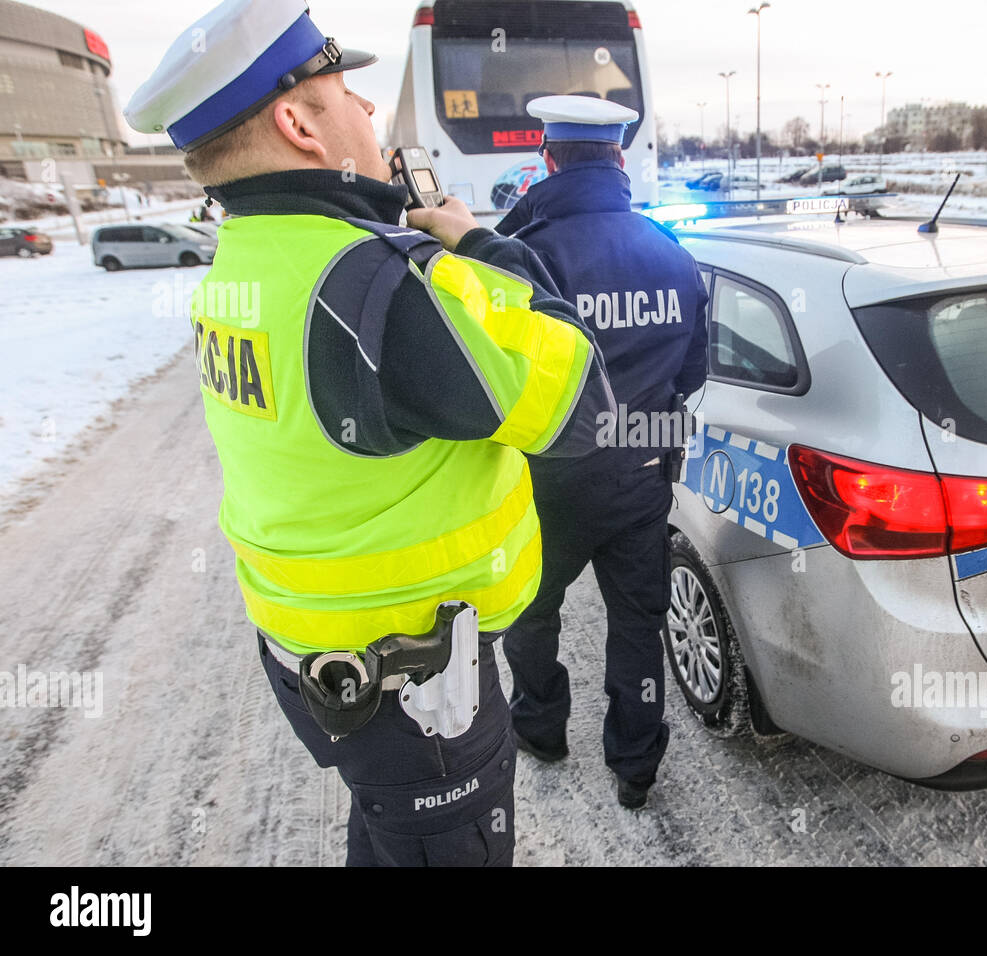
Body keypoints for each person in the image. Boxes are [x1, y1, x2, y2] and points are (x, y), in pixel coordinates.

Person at [124, 0, 615, 865]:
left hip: (319, 656)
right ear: (297, 122)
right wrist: (482, 247)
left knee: (391, 838)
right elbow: (585, 404)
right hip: (418, 690)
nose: (367, 114)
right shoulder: (379, 286)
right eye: (347, 92)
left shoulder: (243, 259)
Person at [497, 96, 710, 810]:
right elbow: (692, 376)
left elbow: (498, 373)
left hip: (548, 480)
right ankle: (636, 765)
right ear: (619, 159)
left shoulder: (526, 252)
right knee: (637, 624)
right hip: (641, 475)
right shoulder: (668, 248)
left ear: (549, 159)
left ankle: (541, 727)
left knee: (531, 614)